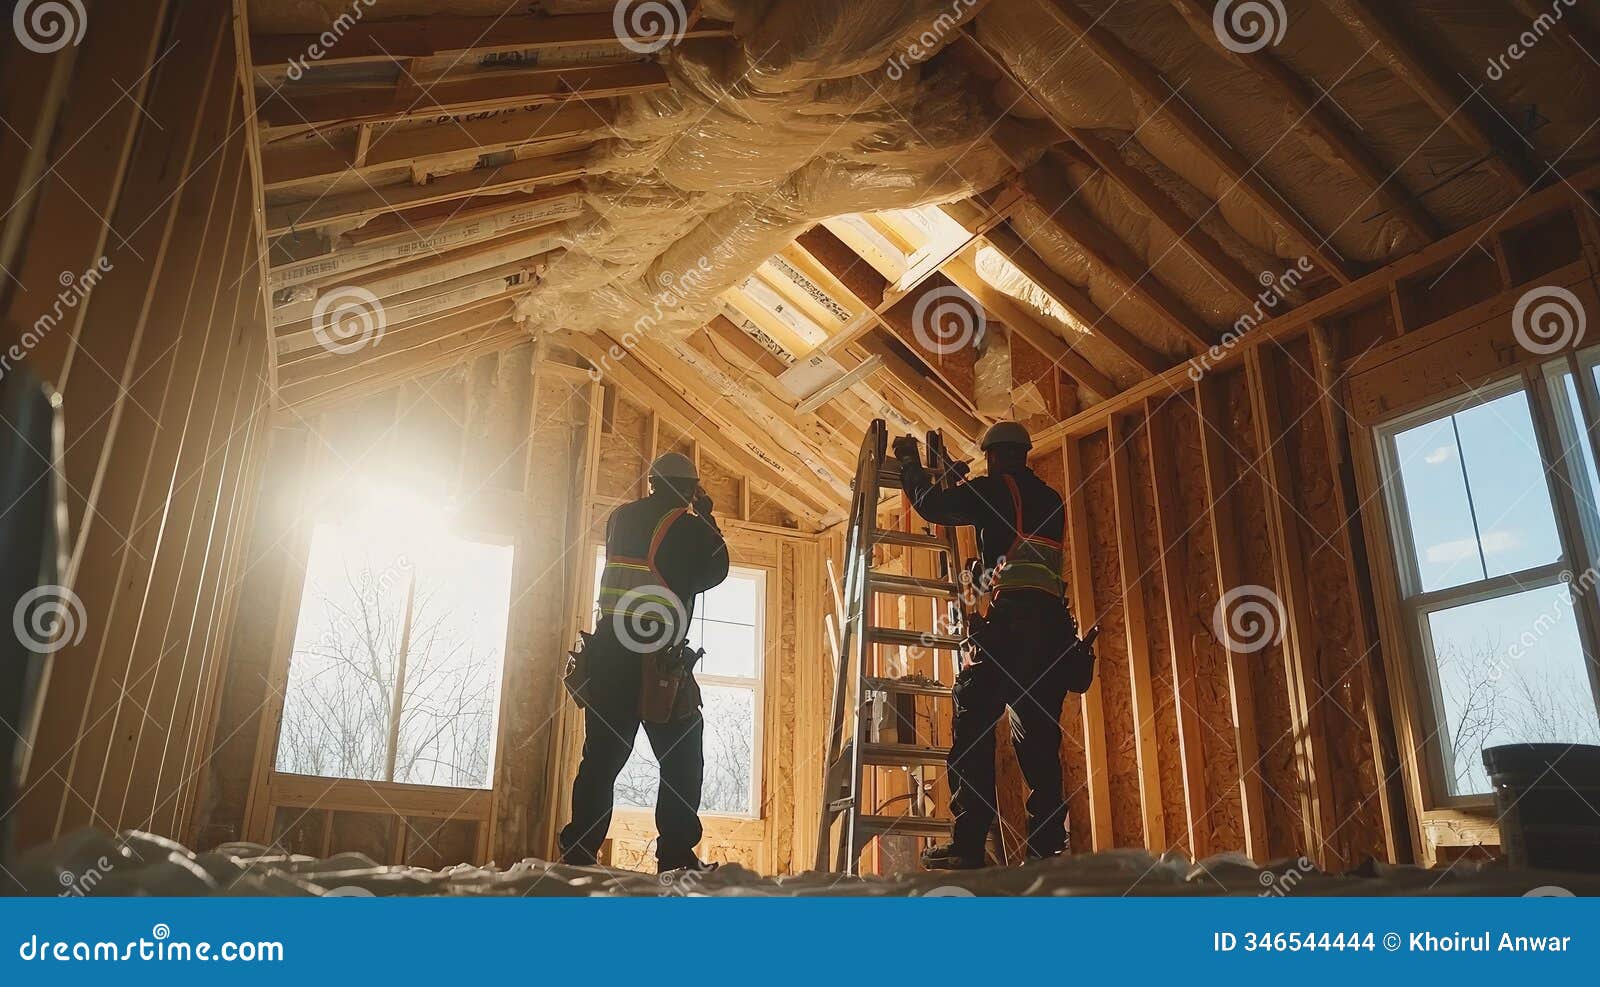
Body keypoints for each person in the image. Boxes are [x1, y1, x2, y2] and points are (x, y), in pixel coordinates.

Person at [892, 421, 1088, 869]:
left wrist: (910, 465)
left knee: (972, 723)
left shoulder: (993, 489)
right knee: (1039, 746)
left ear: (994, 457)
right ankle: (1045, 850)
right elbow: (1021, 556)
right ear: (1025, 453)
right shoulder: (1051, 500)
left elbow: (934, 506)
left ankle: (968, 846)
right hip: (1051, 634)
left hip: (1011, 630)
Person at [559, 452, 729, 872]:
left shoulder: (620, 519)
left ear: (652, 482)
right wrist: (706, 515)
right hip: (657, 664)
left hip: (609, 656)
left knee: (600, 759)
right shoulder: (687, 528)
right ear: (688, 489)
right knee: (682, 757)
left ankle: (579, 851)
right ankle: (674, 855)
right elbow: (716, 569)